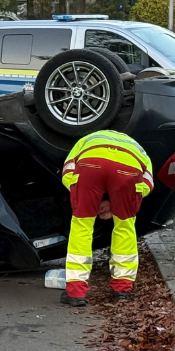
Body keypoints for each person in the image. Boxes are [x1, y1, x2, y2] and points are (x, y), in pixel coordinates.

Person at [60, 128, 155, 307]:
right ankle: (122, 288)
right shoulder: (138, 149)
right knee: (125, 226)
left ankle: (76, 291)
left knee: (82, 226)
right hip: (129, 169)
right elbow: (147, 183)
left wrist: (86, 201)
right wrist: (118, 205)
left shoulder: (88, 139)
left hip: (90, 165)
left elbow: (68, 171)